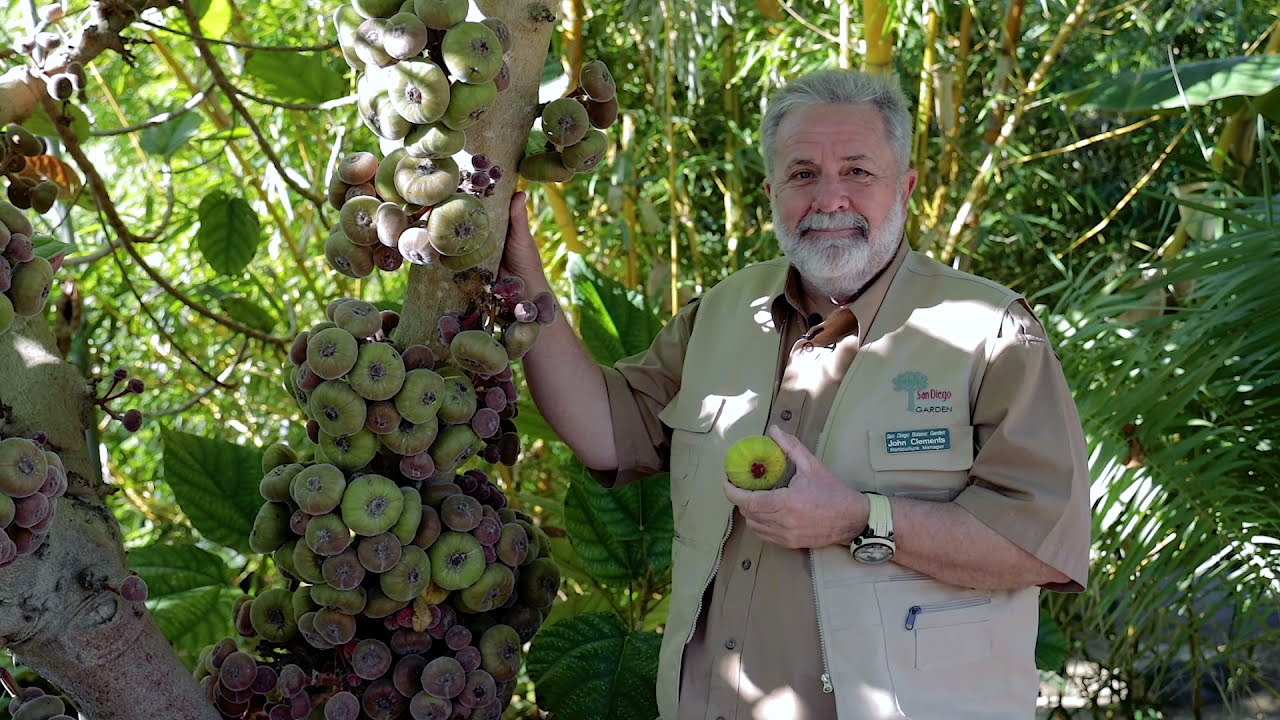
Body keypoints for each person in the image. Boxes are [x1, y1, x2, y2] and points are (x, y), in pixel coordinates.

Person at [500, 68, 1090, 720]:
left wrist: (859, 519)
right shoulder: (723, 314)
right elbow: (605, 428)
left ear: (907, 188)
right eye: (803, 174)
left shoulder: (988, 332)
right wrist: (521, 267)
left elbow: (1040, 545)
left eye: (859, 172)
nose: (830, 198)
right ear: (771, 191)